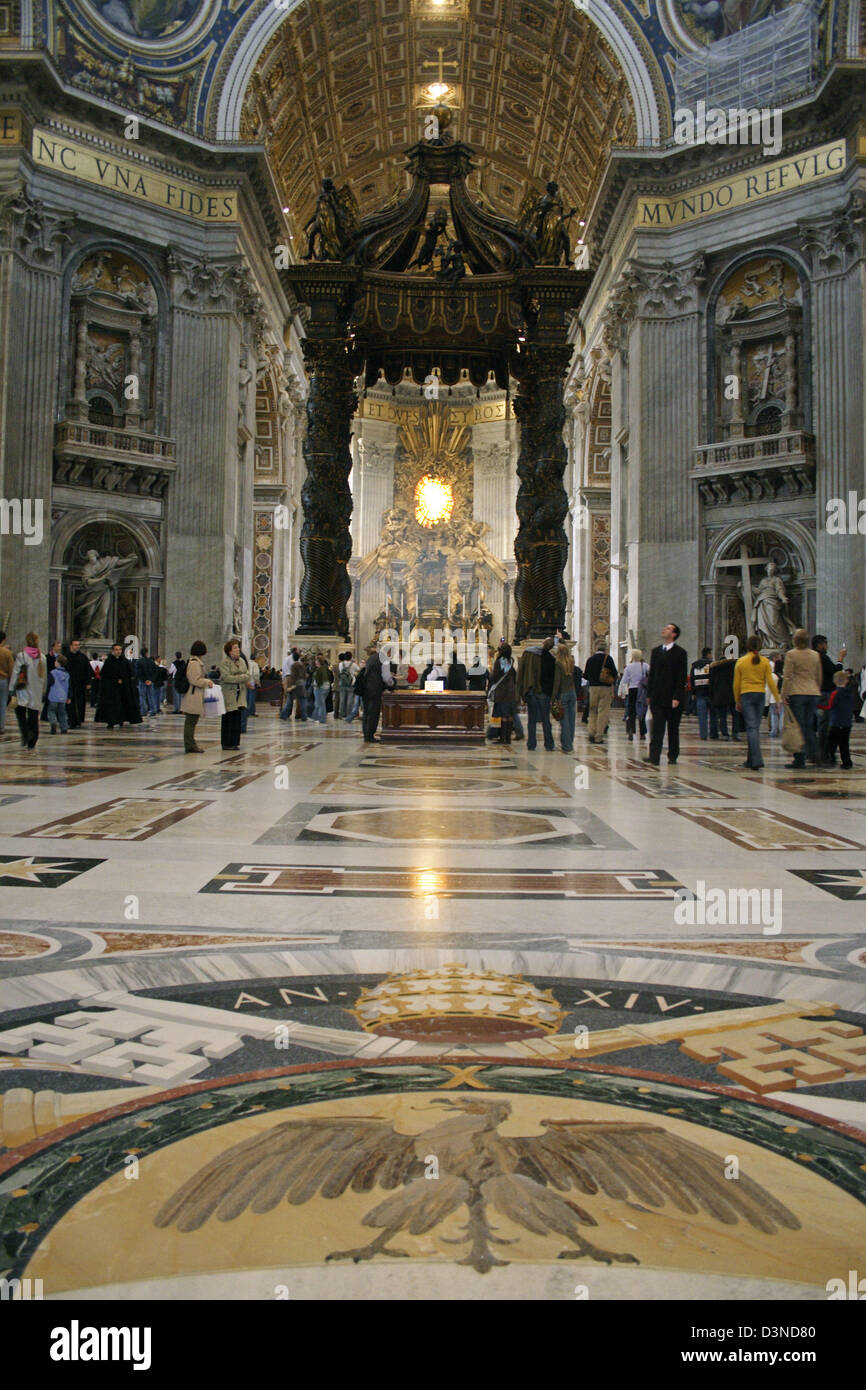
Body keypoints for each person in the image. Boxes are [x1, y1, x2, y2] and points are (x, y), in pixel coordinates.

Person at [733, 635, 780, 771]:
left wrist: (737, 700)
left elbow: (736, 684)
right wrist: (777, 698)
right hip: (760, 695)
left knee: (751, 728)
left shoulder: (741, 661)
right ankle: (750, 759)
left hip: (746, 695)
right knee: (754, 728)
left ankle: (757, 760)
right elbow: (770, 682)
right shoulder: (765, 662)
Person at [646, 623, 688, 766]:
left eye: (668, 628)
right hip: (657, 697)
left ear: (674, 634)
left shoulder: (680, 653)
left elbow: (681, 677)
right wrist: (649, 694)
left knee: (672, 728)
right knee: (657, 727)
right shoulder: (656, 651)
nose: (664, 629)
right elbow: (652, 675)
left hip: (672, 698)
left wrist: (677, 696)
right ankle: (654, 755)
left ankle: (672, 755)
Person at [781, 629, 822, 770]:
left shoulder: (791, 654)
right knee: (809, 724)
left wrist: (783, 694)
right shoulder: (815, 655)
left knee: (798, 726)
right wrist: (817, 689)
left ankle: (799, 758)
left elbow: (787, 676)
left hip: (797, 692)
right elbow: (818, 675)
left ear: (795, 640)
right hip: (813, 692)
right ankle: (815, 753)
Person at [813, 635, 846, 765]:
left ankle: (817, 753)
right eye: (825, 644)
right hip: (824, 693)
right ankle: (823, 754)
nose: (826, 646)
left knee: (818, 724)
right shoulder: (821, 657)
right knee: (824, 725)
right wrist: (841, 659)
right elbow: (834, 672)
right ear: (819, 645)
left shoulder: (813, 657)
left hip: (815, 692)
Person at [11, 633, 47, 749]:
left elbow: (16, 672)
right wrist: (44, 690)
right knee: (33, 715)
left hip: (23, 689)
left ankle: (26, 733)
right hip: (37, 690)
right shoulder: (42, 657)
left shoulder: (22, 655)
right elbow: (45, 676)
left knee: (20, 713)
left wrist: (11, 689)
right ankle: (34, 737)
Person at [94, 642, 141, 728]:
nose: (118, 651)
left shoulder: (125, 661)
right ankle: (111, 721)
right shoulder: (108, 662)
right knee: (111, 706)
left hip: (123, 688)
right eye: (116, 650)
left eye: (119, 650)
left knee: (123, 704)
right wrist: (115, 680)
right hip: (111, 689)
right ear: (112, 651)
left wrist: (123, 680)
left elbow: (130, 674)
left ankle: (121, 720)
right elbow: (104, 675)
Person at [516, 644, 553, 752]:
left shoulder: (527, 655)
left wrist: (519, 692)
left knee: (531, 719)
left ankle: (531, 744)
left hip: (530, 690)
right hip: (543, 692)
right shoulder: (546, 657)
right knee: (546, 719)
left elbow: (520, 674)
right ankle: (549, 744)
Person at [583, 641, 618, 745]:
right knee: (603, 712)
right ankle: (599, 736)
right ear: (605, 649)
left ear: (596, 648)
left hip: (593, 688)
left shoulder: (590, 659)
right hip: (605, 688)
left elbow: (585, 676)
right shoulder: (608, 659)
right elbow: (615, 673)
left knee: (592, 710)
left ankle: (591, 732)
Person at [181, 640, 212, 753]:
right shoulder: (194, 662)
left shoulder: (196, 661)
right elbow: (194, 679)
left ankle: (191, 743)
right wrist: (206, 682)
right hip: (192, 695)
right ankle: (189, 744)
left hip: (195, 694)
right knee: (190, 721)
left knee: (192, 721)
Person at [219, 639, 248, 750]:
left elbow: (247, 674)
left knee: (237, 719)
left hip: (239, 693)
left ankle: (235, 742)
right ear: (230, 651)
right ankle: (226, 743)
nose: (238, 649)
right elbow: (227, 677)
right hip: (229, 694)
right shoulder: (225, 663)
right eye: (235, 647)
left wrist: (239, 677)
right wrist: (240, 677)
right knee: (228, 719)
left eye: (238, 647)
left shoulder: (241, 661)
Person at [361, 646, 394, 743]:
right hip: (375, 689)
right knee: (374, 712)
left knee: (366, 712)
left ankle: (366, 734)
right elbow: (386, 677)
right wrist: (392, 684)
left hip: (366, 687)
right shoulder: (385, 660)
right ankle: (370, 735)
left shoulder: (372, 657)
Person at [826, 669, 855, 769]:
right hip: (847, 722)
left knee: (832, 742)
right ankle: (847, 762)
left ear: (834, 681)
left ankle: (831, 759)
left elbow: (830, 706)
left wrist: (819, 706)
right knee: (844, 744)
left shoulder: (835, 693)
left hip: (836, 721)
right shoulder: (850, 693)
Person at [552, 640, 577, 753]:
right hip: (572, 692)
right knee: (571, 720)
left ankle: (567, 746)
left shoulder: (558, 663)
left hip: (563, 693)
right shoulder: (571, 661)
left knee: (564, 721)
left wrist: (553, 697)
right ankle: (569, 743)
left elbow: (557, 681)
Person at [489, 642, 516, 744]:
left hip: (502, 691)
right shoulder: (511, 661)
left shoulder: (499, 662)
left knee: (504, 715)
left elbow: (495, 677)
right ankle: (507, 738)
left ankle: (503, 738)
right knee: (509, 715)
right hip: (510, 690)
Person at [708, 653, 739, 742]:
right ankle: (735, 733)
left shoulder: (714, 668)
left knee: (722, 716)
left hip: (719, 695)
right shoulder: (733, 666)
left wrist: (711, 695)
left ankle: (725, 734)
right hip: (732, 693)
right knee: (735, 715)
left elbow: (711, 683)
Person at [619, 649, 649, 740]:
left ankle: (631, 730)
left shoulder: (629, 667)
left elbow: (625, 680)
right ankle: (643, 733)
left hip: (632, 689)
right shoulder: (645, 665)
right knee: (642, 710)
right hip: (642, 690)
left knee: (631, 711)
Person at [64, 638, 92, 728]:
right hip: (69, 683)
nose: (77, 646)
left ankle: (79, 719)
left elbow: (88, 670)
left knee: (80, 702)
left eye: (78, 645)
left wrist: (88, 682)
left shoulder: (83, 657)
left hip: (80, 683)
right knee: (70, 702)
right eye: (75, 645)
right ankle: (71, 720)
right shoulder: (66, 657)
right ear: (71, 646)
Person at [690, 648, 717, 740]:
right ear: (708, 654)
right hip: (711, 693)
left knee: (702, 716)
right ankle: (713, 734)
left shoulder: (694, 666)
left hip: (699, 693)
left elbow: (692, 679)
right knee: (713, 715)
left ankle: (703, 735)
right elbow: (715, 679)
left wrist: (693, 693)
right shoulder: (712, 665)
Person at [46, 653, 71, 734]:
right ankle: (64, 727)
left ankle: (53, 722)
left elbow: (49, 683)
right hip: (63, 696)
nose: (54, 662)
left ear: (58, 663)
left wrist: (46, 694)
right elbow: (70, 686)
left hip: (53, 695)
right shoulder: (67, 674)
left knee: (51, 710)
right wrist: (69, 697)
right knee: (62, 712)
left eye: (56, 661)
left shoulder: (53, 673)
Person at [135, 646, 159, 717]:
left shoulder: (138, 661)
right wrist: (151, 680)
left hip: (143, 681)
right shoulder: (151, 661)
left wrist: (144, 680)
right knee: (151, 696)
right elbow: (155, 671)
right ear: (147, 653)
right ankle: (153, 710)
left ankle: (143, 711)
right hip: (150, 681)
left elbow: (138, 673)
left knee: (142, 696)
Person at [311, 654, 331, 723]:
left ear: (319, 661)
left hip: (320, 688)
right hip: (326, 688)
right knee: (318, 703)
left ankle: (322, 719)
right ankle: (315, 717)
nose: (315, 662)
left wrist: (315, 686)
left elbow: (318, 680)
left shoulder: (319, 669)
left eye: (316, 660)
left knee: (321, 704)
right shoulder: (325, 668)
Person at [0, 630, 12, 737]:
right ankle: (1, 726)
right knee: (3, 704)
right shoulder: (7, 653)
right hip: (3, 680)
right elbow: (11, 669)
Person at [246, 653, 260, 719]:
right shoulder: (255, 664)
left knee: (247, 698)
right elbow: (256, 674)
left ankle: (246, 712)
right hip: (252, 682)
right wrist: (258, 682)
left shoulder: (247, 663)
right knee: (252, 698)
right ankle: (251, 712)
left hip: (246, 682)